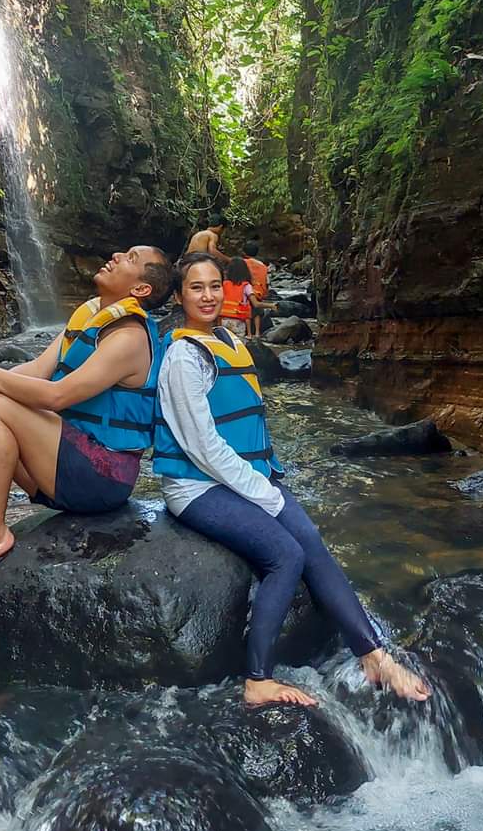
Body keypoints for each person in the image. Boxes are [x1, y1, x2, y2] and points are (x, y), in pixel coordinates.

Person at [153, 251, 431, 708]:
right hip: (197, 486)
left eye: (214, 286)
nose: (207, 296)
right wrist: (265, 494)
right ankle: (257, 679)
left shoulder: (228, 338)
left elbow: (247, 424)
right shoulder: (183, 357)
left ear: (226, 289)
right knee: (285, 555)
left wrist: (269, 479)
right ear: (180, 297)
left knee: (312, 543)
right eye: (195, 288)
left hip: (244, 477)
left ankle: (373, 654)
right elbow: (202, 447)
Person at [0, 244, 174, 591]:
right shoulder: (92, 313)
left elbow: (57, 395)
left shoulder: (129, 337)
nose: (117, 256)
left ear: (141, 289)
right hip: (61, 465)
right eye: (122, 252)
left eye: (130, 259)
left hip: (101, 479)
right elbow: (37, 370)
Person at [221, 255, 274, 338]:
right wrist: (271, 305)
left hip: (223, 322)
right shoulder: (246, 286)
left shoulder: (224, 284)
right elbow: (256, 304)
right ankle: (254, 334)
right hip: (238, 323)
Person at [243, 242, 271, 338]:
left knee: (247, 311)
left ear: (244, 252)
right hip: (258, 291)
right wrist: (266, 291)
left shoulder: (243, 263)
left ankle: (249, 333)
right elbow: (266, 281)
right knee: (257, 313)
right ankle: (257, 333)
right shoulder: (262, 265)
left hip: (246, 291)